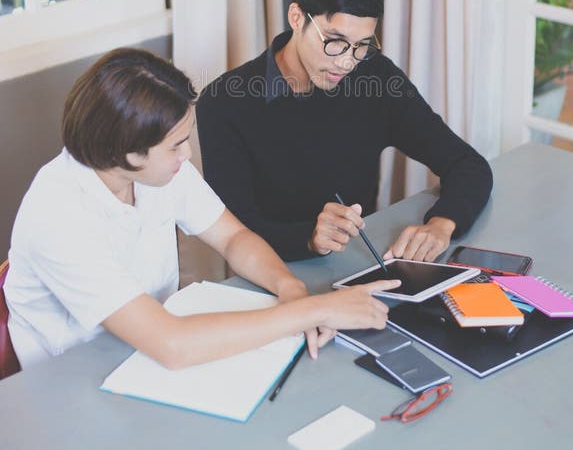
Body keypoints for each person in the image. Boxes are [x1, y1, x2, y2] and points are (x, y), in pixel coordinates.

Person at [5, 47, 399, 371]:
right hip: (71, 377)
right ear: (125, 152)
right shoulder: (58, 216)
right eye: (175, 145)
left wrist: (291, 289)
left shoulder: (154, 171)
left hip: (145, 351)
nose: (187, 154)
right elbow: (172, 344)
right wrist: (314, 310)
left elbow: (232, 237)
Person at [197, 0, 493, 263]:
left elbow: (467, 164)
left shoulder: (376, 78)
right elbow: (233, 232)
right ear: (297, 18)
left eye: (362, 44)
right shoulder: (223, 104)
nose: (347, 61)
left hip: (359, 263)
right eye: (335, 40)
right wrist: (309, 238)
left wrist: (442, 224)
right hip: (270, 274)